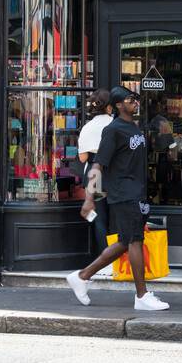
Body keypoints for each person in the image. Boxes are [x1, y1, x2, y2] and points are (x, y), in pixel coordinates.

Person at [68, 87, 169, 311]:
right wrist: (89, 198)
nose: (136, 102)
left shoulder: (134, 128)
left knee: (125, 241)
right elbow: (98, 164)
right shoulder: (112, 130)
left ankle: (82, 277)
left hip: (137, 192)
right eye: (130, 99)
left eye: (136, 99)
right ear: (117, 106)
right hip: (123, 194)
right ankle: (141, 296)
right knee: (134, 241)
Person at [76, 88, 114, 252]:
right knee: (117, 217)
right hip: (114, 173)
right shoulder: (115, 125)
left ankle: (104, 260)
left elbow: (83, 158)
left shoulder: (87, 127)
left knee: (99, 219)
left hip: (94, 176)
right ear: (109, 107)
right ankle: (119, 260)